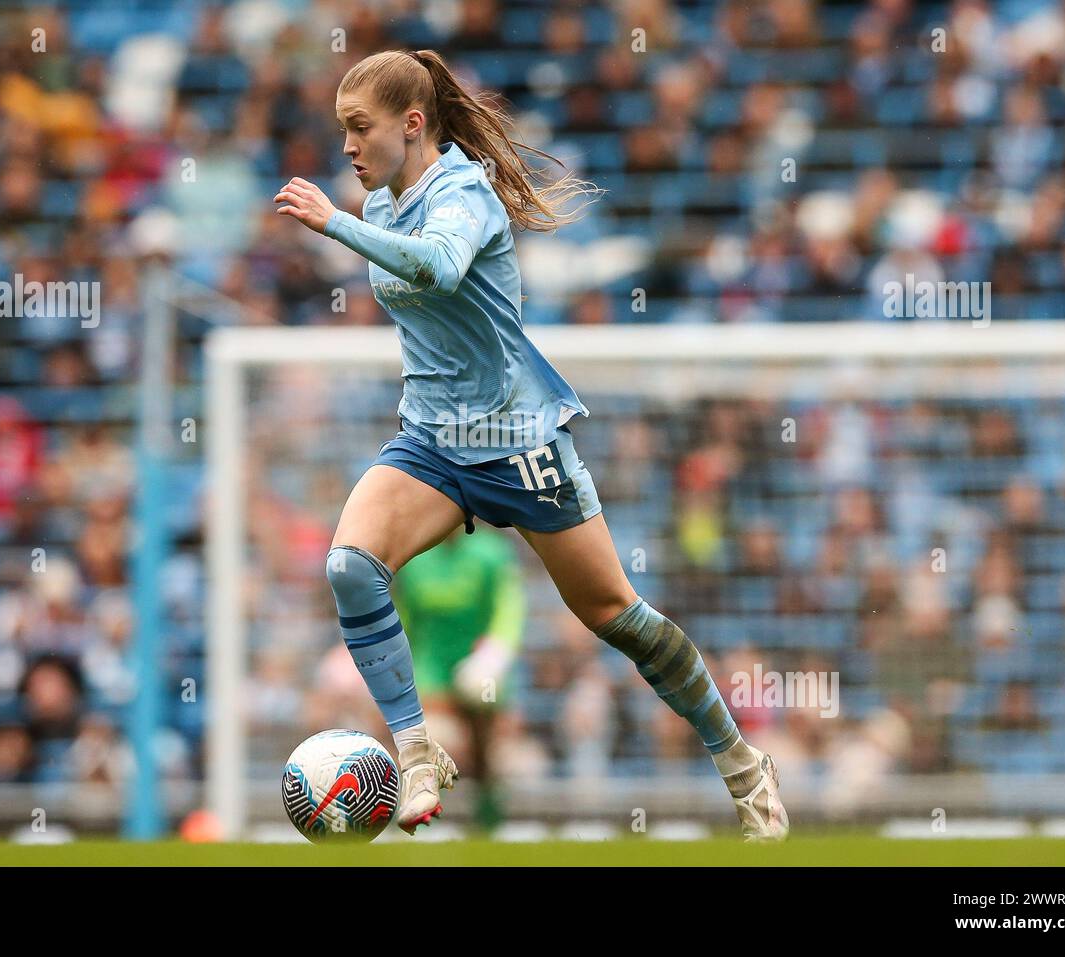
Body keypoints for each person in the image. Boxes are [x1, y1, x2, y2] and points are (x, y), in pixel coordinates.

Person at [276, 49, 788, 841]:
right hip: (434, 444)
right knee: (350, 565)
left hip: (517, 445)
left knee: (618, 614)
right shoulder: (380, 206)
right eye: (342, 130)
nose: (346, 146)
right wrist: (350, 221)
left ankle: (742, 763)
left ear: (412, 124)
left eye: (358, 128)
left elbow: (442, 268)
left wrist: (331, 223)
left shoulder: (465, 194)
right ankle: (415, 752)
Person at [393, 527, 525, 832]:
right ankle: (417, 814)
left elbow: (509, 612)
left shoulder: (491, 552)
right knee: (431, 739)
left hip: (479, 665)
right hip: (431, 668)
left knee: (479, 699)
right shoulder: (414, 556)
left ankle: (488, 802)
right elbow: (405, 620)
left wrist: (494, 655)